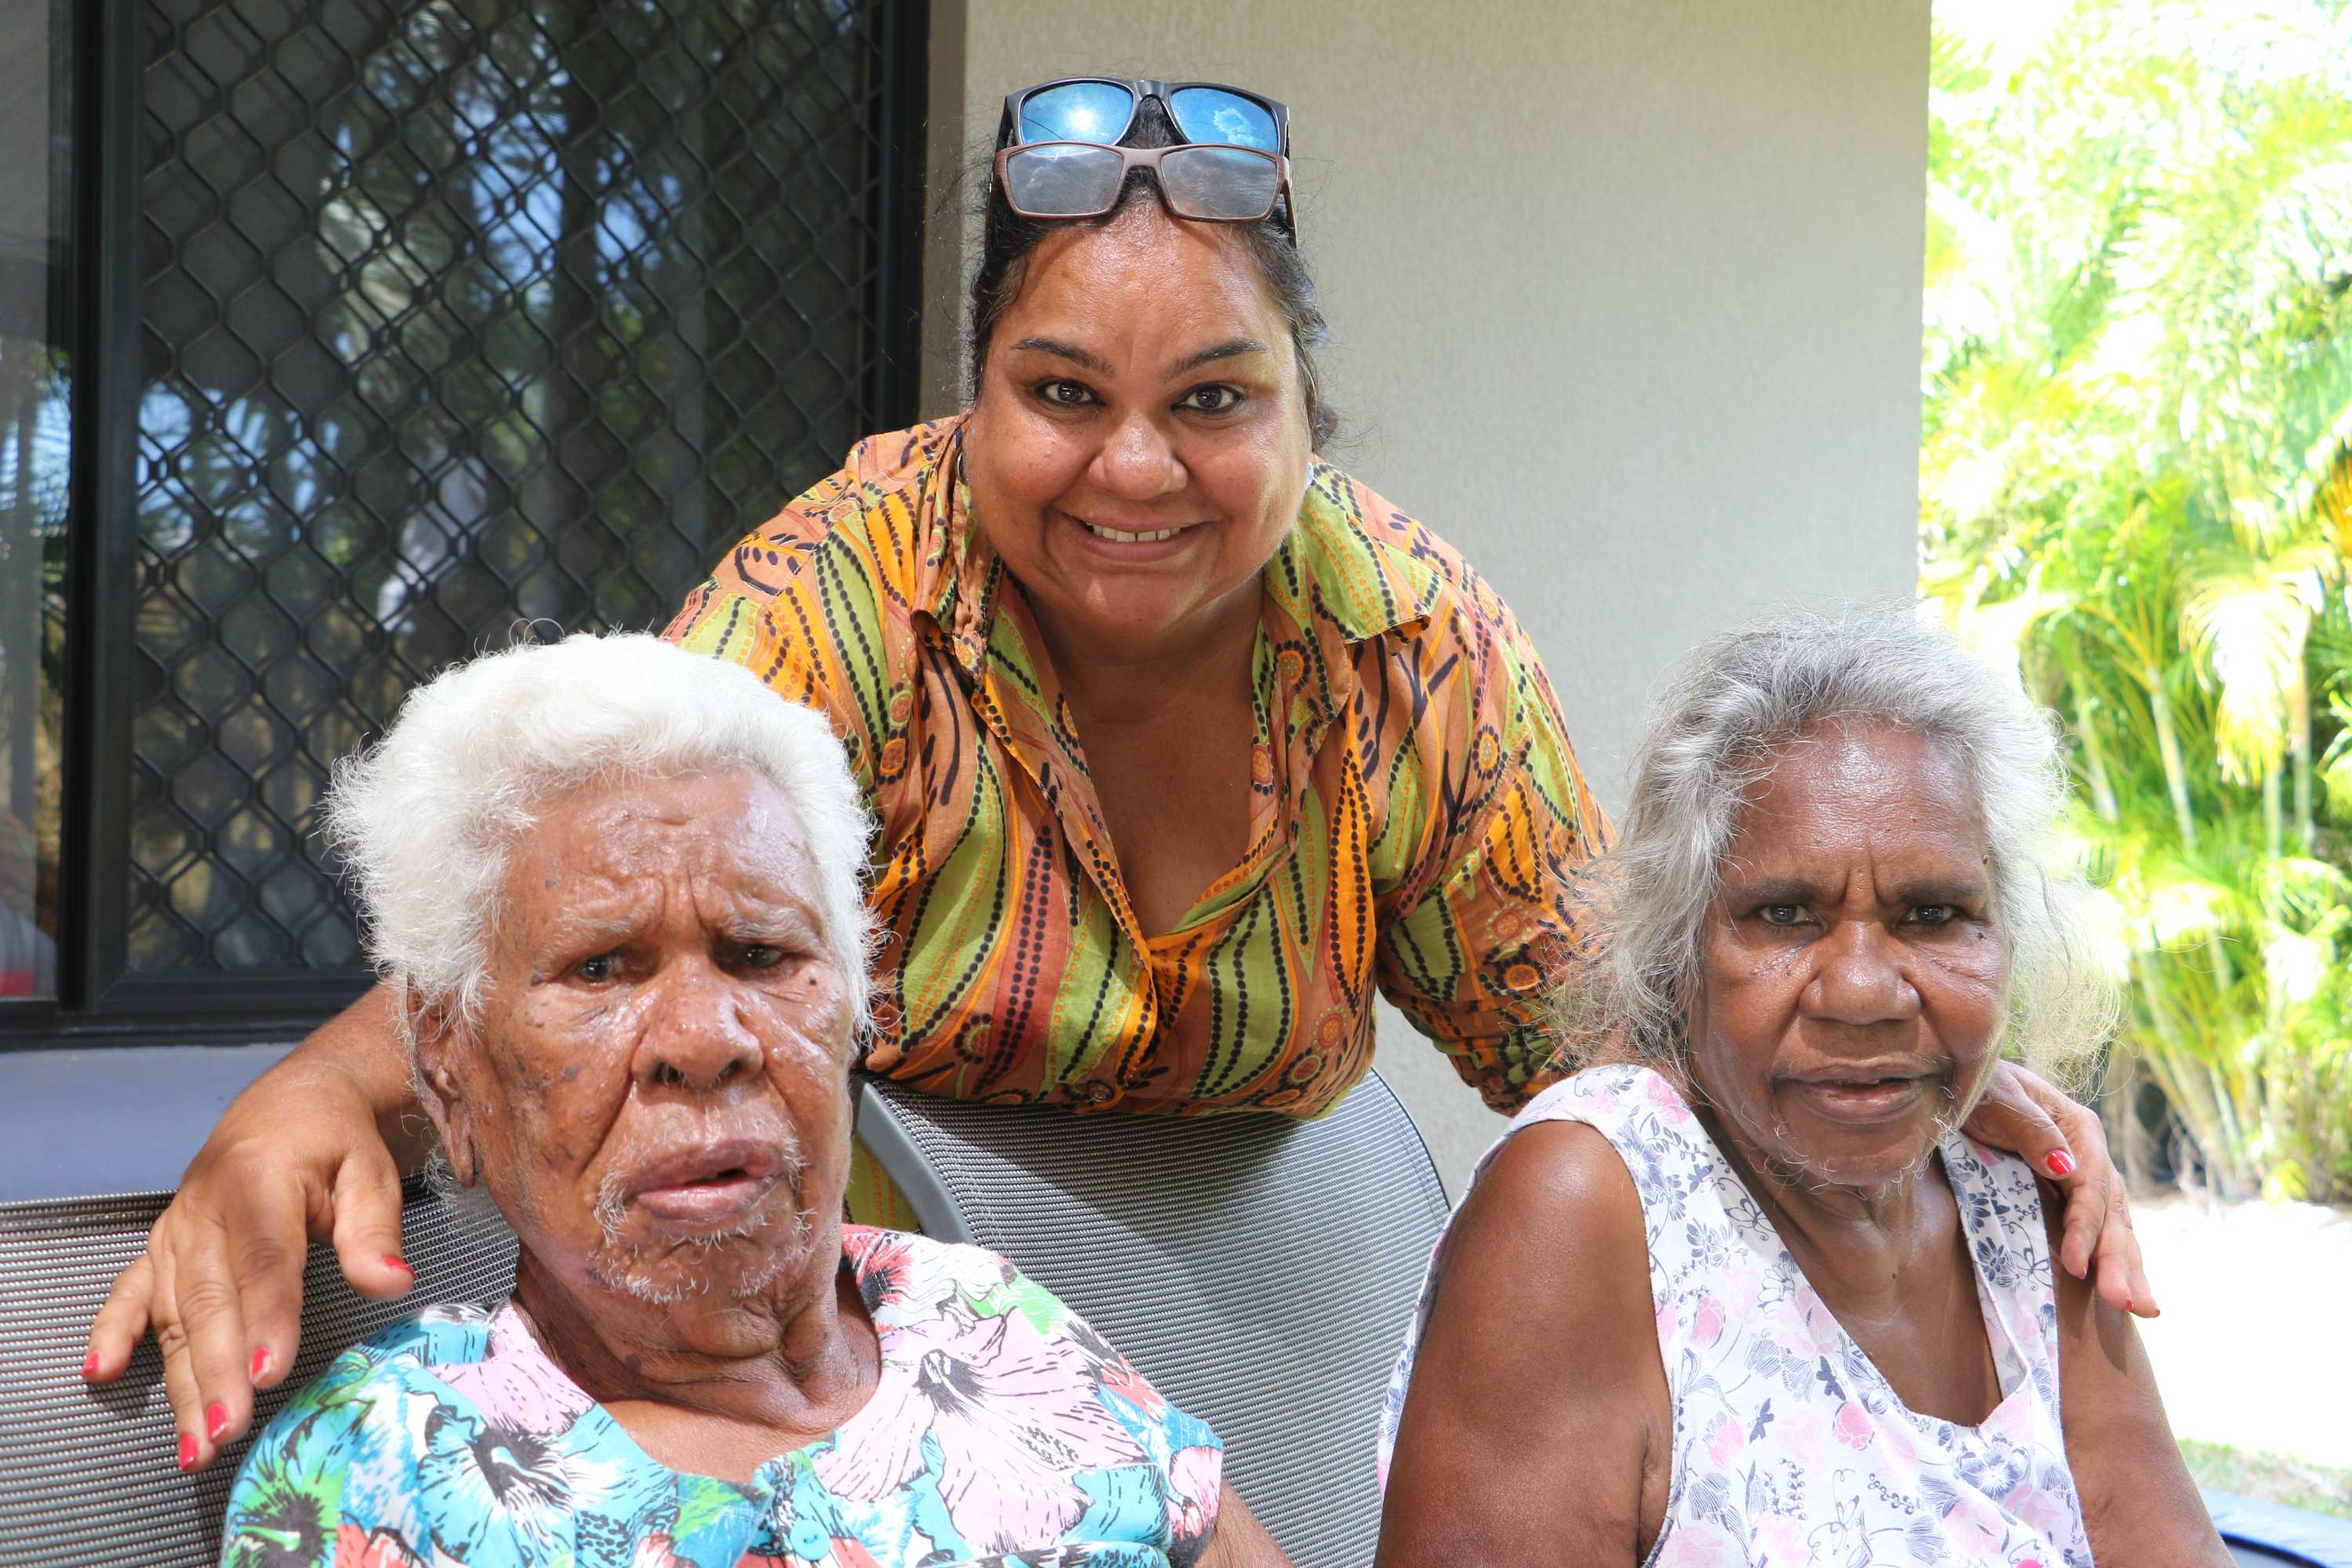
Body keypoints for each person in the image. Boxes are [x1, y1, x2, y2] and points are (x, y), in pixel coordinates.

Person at [89, 75, 2149, 1472]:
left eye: (1217, 400)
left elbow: (1609, 1053)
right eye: (1060, 394)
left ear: (1309, 414)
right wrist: (309, 1091)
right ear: (975, 398)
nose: (1135, 469)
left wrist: (1919, 1100)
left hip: (1275, 1295)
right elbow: (584, 874)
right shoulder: (855, 593)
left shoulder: (1411, 655)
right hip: (872, 1272)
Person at [216, 632, 1285, 1568]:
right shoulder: (392, 1475)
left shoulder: (982, 1318)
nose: (704, 1039)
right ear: (448, 1074)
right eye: (601, 969)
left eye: (763, 953)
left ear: (852, 1025)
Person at [1376, 610, 2227, 1567]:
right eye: (1784, 914)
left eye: (1936, 914)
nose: (1862, 991)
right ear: (1681, 952)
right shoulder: (1585, 1204)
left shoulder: (2022, 1195)